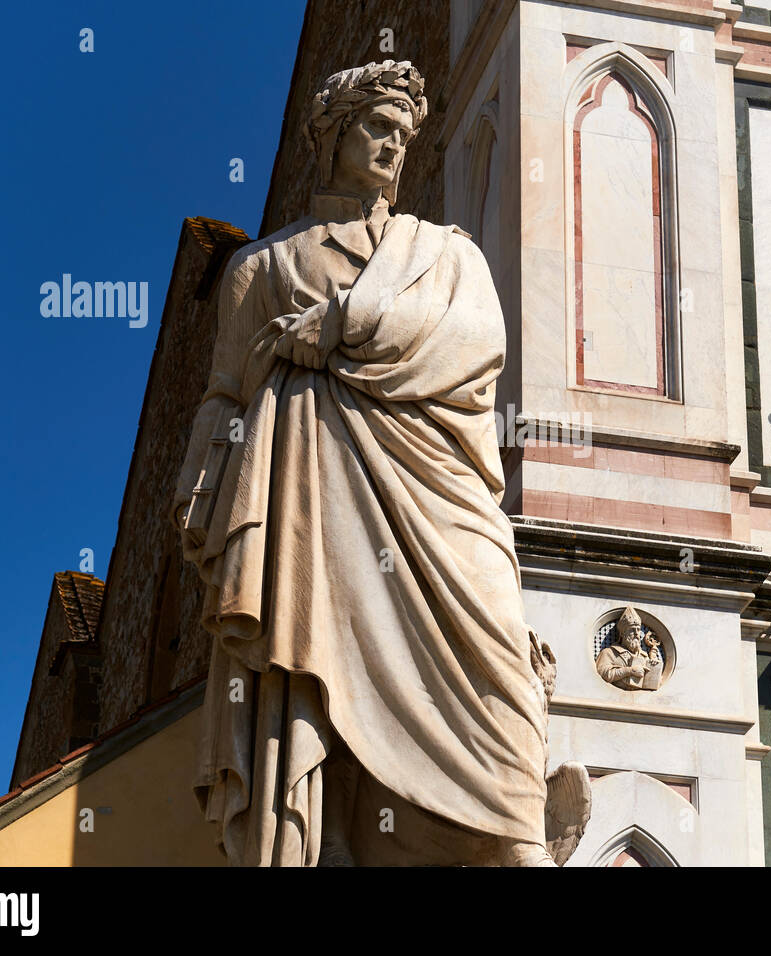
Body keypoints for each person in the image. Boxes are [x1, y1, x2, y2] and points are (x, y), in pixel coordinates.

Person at [173, 60, 555, 866]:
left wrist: (344, 322)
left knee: (506, 696)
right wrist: (201, 492)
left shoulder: (447, 255)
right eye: (376, 127)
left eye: (403, 135)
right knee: (319, 681)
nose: (392, 146)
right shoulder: (263, 268)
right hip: (316, 511)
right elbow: (224, 396)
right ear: (333, 134)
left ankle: (515, 840)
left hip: (444, 503)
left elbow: (478, 343)